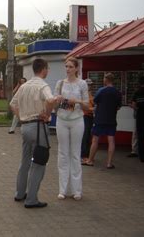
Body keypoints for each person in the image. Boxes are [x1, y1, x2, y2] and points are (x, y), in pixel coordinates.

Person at [10, 58, 57, 208]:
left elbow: (12, 104)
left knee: (24, 161)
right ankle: (31, 199)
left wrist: (21, 117)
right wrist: (47, 115)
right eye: (47, 69)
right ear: (43, 69)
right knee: (39, 163)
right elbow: (50, 100)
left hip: (25, 127)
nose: (48, 71)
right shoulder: (43, 86)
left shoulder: (24, 86)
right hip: (38, 127)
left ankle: (19, 193)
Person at [54, 57, 89, 201]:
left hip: (77, 121)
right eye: (66, 66)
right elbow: (54, 104)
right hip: (62, 120)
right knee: (63, 154)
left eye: (70, 67)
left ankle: (77, 190)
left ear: (76, 68)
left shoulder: (82, 84)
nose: (67, 69)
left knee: (75, 154)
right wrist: (58, 100)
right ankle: (63, 189)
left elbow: (87, 105)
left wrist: (78, 101)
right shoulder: (60, 83)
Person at [83, 73, 122, 169]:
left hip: (100, 119)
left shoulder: (101, 90)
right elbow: (118, 107)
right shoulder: (117, 92)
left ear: (106, 79)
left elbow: (95, 101)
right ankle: (109, 163)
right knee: (111, 140)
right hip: (111, 119)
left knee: (95, 140)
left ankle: (90, 160)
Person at [81, 78, 95, 162]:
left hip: (90, 117)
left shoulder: (91, 94)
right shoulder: (82, 95)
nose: (90, 86)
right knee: (85, 136)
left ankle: (88, 154)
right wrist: (92, 109)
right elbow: (83, 107)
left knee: (89, 136)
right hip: (84, 116)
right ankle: (83, 155)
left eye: (91, 85)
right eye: (88, 85)